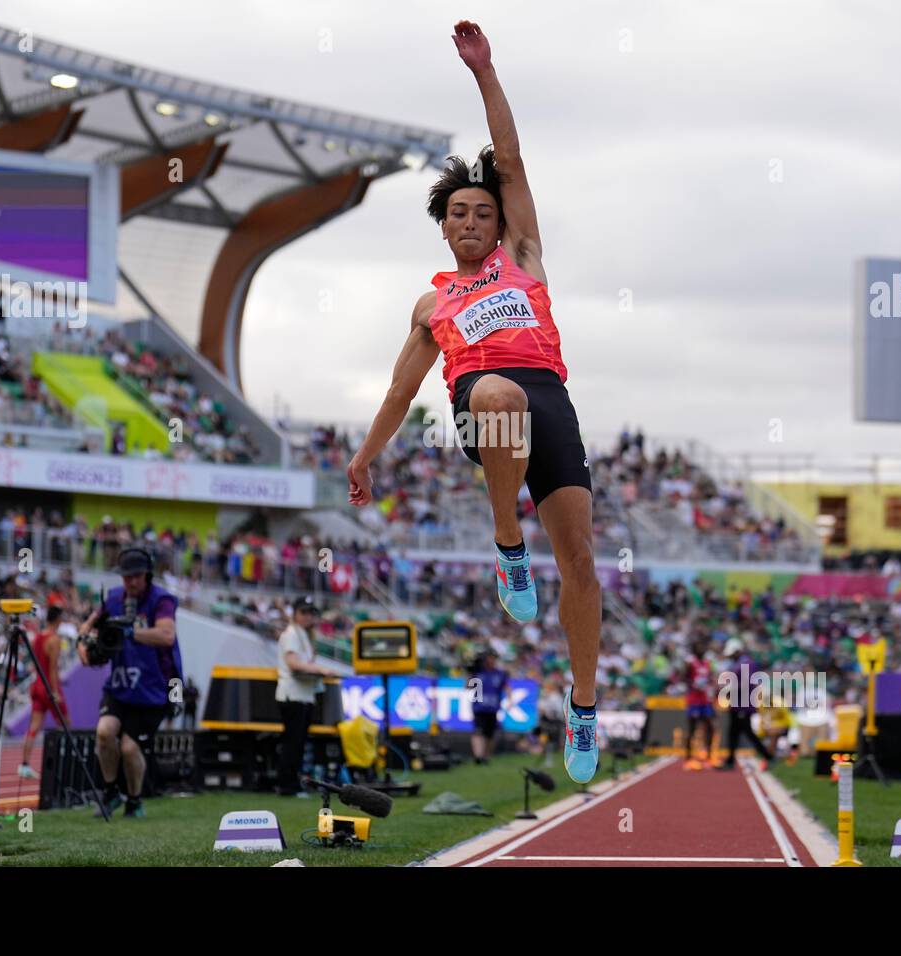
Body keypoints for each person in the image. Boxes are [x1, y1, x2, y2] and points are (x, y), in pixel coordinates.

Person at [346, 20, 601, 783]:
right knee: (495, 392)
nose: (469, 221)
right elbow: (400, 389)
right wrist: (364, 457)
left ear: (498, 225)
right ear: (443, 222)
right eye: (458, 212)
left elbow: (512, 162)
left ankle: (583, 705)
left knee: (584, 566)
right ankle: (506, 547)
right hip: (483, 402)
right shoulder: (433, 302)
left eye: (481, 212)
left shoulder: (523, 258)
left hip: (549, 400)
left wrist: (485, 74)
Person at [78, 547, 183, 819]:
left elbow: (167, 635)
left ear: (147, 575)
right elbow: (85, 629)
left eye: (137, 576)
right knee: (104, 732)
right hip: (121, 684)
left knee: (128, 747)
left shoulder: (162, 600)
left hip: (157, 688)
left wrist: (130, 633)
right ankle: (111, 792)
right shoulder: (112, 599)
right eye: (126, 577)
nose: (132, 582)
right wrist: (85, 648)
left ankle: (134, 801)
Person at [275, 597, 337, 796]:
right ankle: (287, 785)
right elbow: (293, 663)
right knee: (293, 743)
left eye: (311, 613)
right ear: (296, 613)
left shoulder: (303, 635)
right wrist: (320, 669)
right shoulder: (292, 633)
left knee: (298, 743)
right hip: (293, 694)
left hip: (303, 694)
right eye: (304, 612)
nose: (308, 616)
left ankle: (291, 782)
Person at [19, 605, 68, 779]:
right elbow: (53, 669)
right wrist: (55, 691)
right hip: (48, 687)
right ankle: (65, 764)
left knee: (33, 728)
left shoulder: (38, 637)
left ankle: (24, 765)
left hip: (36, 685)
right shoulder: (54, 640)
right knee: (65, 725)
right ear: (58, 619)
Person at [715, 639, 773, 770]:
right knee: (734, 733)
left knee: (746, 733)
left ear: (738, 651)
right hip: (738, 703)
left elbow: (747, 683)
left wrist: (729, 688)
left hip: (743, 704)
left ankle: (768, 756)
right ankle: (730, 761)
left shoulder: (747, 663)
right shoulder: (739, 663)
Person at [469, 650, 509, 765]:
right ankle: (478, 756)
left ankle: (486, 756)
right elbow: (468, 686)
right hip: (479, 707)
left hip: (492, 708)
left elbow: (506, 687)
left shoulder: (499, 674)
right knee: (478, 731)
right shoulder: (478, 673)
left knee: (490, 734)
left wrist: (510, 699)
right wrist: (472, 672)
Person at [684, 643, 715, 768]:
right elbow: (684, 677)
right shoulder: (690, 663)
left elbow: (710, 677)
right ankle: (688, 757)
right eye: (699, 647)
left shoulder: (707, 663)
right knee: (692, 728)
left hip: (705, 700)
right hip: (694, 700)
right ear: (695, 650)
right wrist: (693, 684)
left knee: (710, 727)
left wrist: (709, 682)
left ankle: (708, 756)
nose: (702, 649)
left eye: (703, 647)